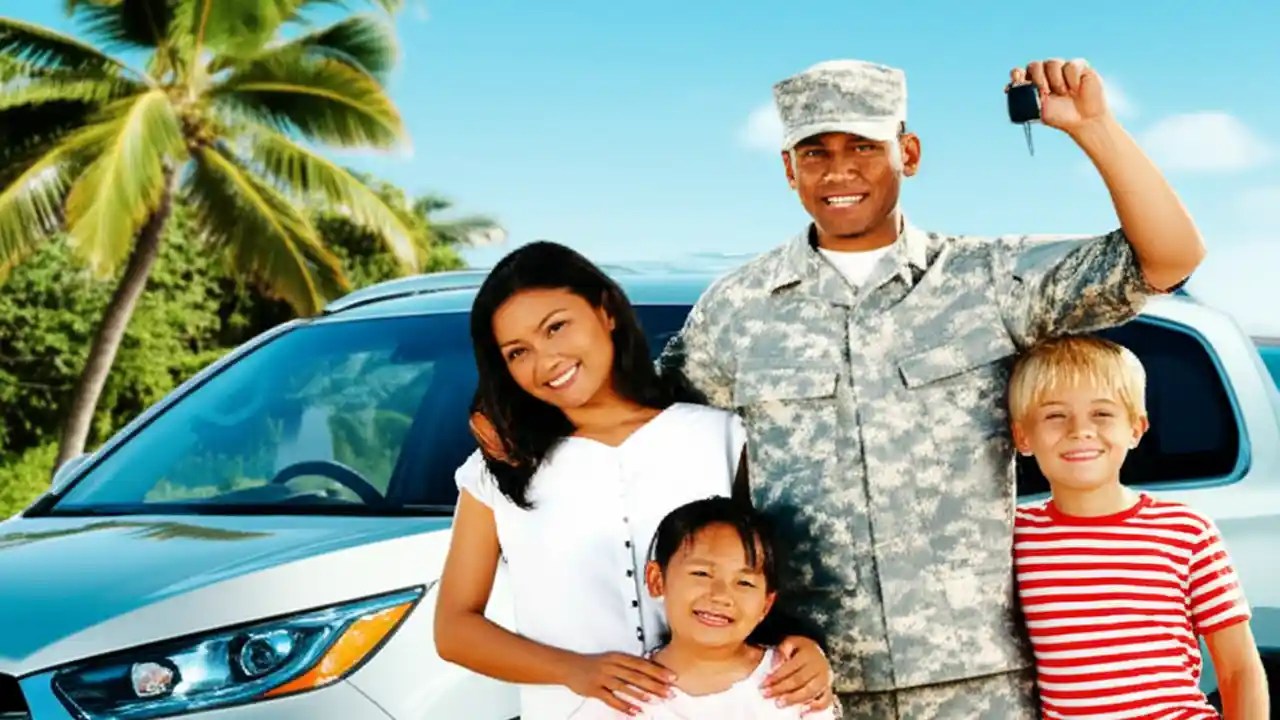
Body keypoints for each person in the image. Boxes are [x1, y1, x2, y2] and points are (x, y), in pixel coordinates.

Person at [651, 57, 1209, 718]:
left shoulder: (989, 281)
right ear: (788, 168)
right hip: (809, 685)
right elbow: (643, 429)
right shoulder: (738, 309)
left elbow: (1167, 259)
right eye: (815, 151)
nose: (839, 170)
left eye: (863, 146)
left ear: (908, 153)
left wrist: (1094, 128)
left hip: (978, 684)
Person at [434, 241, 833, 720]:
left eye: (557, 327)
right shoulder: (498, 469)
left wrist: (804, 646)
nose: (546, 360)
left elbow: (766, 583)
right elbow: (454, 629)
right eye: (518, 352)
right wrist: (575, 670)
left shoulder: (721, 436)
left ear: (606, 312)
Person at [1010, 336, 1268, 719]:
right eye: (1054, 415)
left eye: (1102, 413)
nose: (1080, 430)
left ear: (1135, 427)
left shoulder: (1186, 531)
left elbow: (1239, 668)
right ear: (1023, 436)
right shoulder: (1013, 539)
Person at [570, 496, 840, 719]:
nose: (721, 595)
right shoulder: (625, 695)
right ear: (656, 580)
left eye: (744, 582)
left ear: (765, 605)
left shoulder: (791, 681)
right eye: (701, 574)